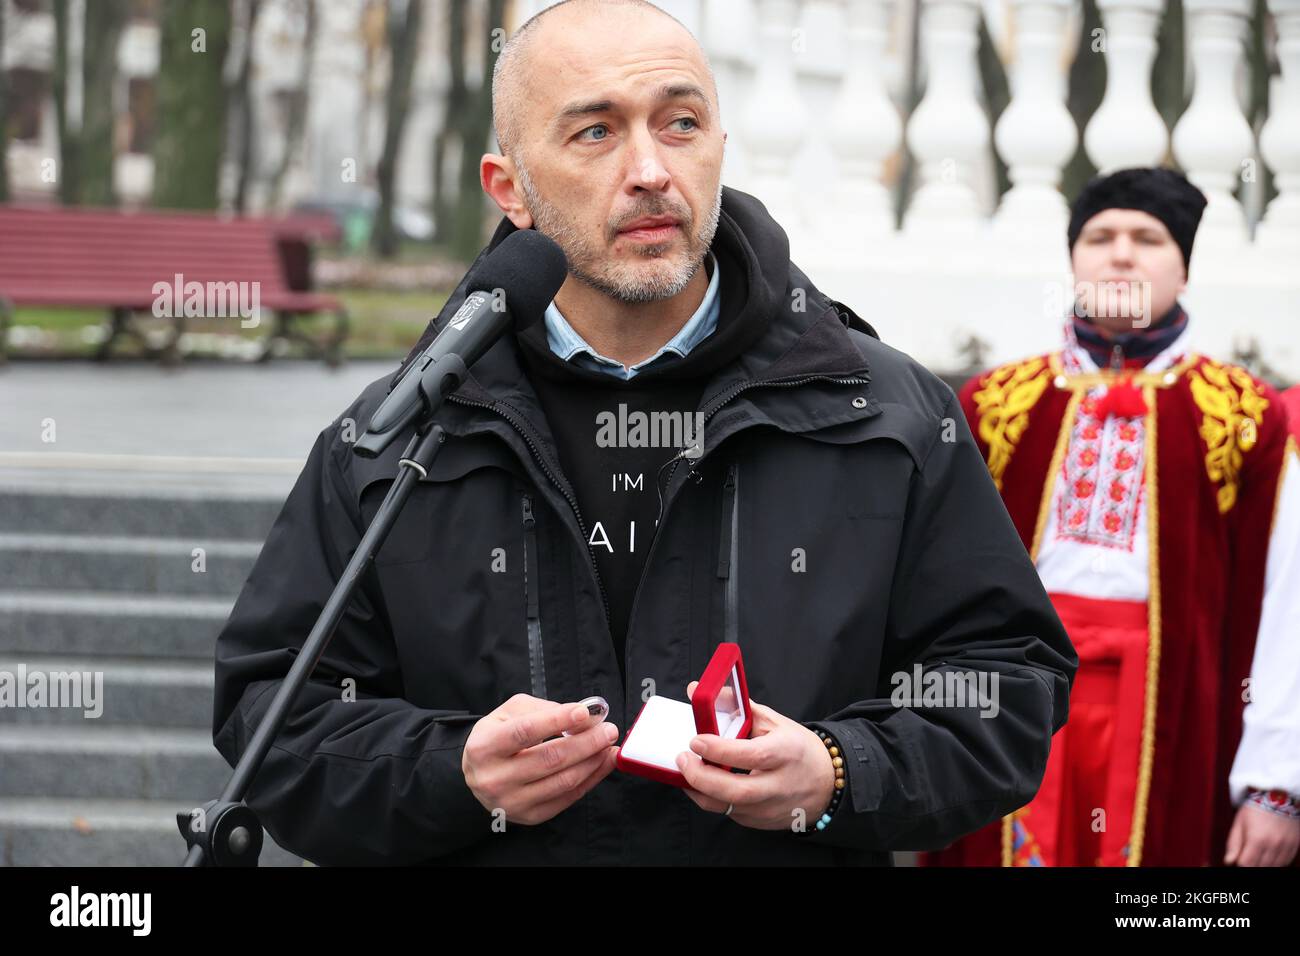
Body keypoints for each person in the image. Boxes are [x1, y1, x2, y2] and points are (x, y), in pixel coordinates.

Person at [212, 0, 1075, 866]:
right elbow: (275, 719)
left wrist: (838, 774)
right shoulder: (403, 433)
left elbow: (1009, 683)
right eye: (595, 132)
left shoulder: (885, 413)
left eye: (682, 123)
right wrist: (452, 773)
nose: (652, 170)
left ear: (720, 148)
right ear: (511, 188)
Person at [924, 167, 1300, 867]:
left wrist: (1275, 786)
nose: (1121, 253)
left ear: (1183, 268)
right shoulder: (994, 401)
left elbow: (1288, 604)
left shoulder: (1246, 414)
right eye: (1100, 236)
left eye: (1147, 238)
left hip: (1177, 703)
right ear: (1073, 260)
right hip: (1017, 692)